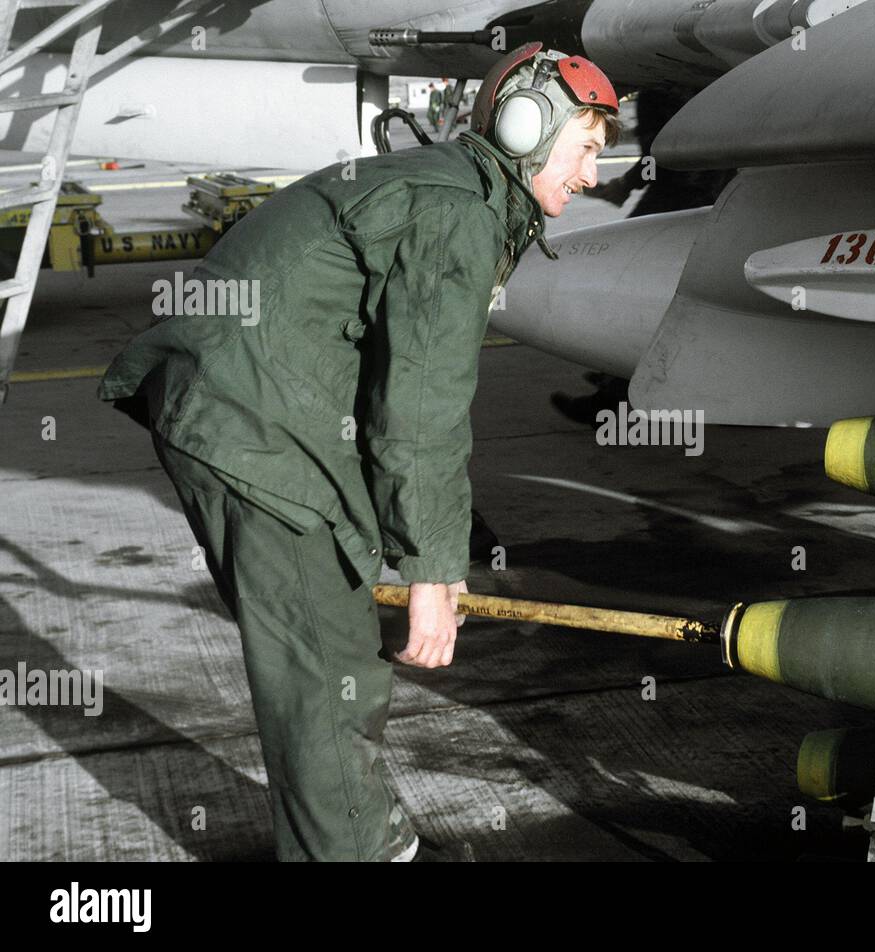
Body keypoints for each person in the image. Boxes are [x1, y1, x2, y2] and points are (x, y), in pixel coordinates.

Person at [97, 44, 620, 862]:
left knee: (325, 650)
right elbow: (420, 404)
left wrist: (429, 556)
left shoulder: (453, 188)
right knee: (324, 671)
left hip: (248, 405)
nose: (595, 172)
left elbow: (391, 390)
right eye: (587, 146)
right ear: (530, 126)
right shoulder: (461, 212)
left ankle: (359, 840)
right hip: (253, 425)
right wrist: (430, 575)